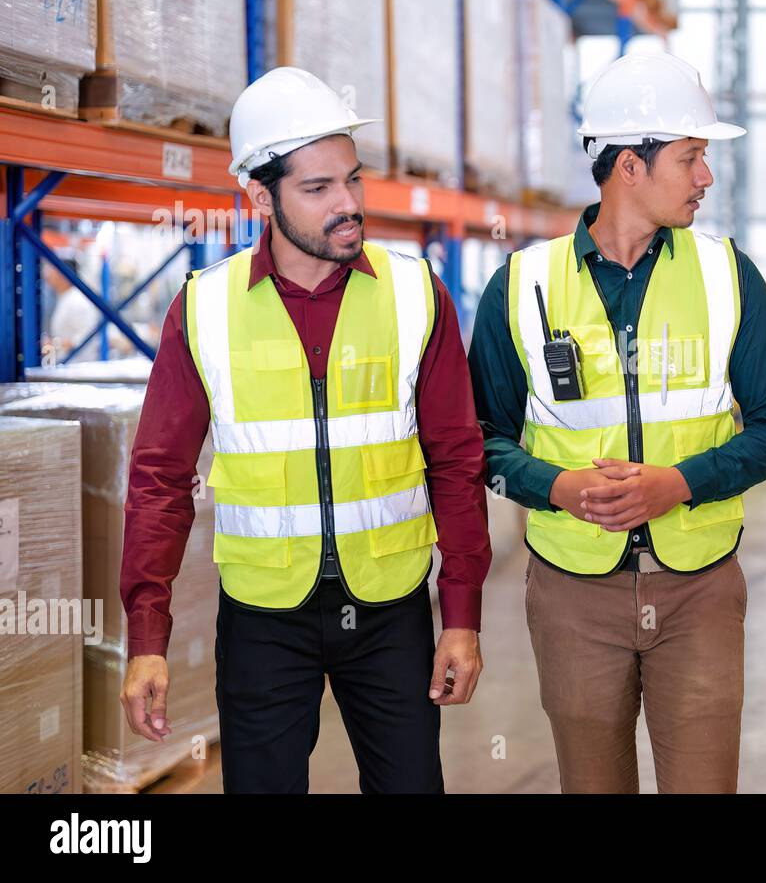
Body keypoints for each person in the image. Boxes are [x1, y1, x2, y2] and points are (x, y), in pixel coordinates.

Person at [119, 67, 492, 793]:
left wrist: (463, 612)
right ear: (260, 196)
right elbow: (159, 478)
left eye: (352, 180)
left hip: (391, 611)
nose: (349, 205)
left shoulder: (417, 294)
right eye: (318, 190)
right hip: (264, 618)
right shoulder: (205, 309)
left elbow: (456, 459)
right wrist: (148, 637)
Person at [468, 53, 766, 793]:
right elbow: (478, 442)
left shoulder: (726, 275)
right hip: (571, 593)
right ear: (629, 165)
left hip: (701, 590)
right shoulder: (520, 288)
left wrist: (677, 484)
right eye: (691, 158)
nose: (705, 177)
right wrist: (556, 487)